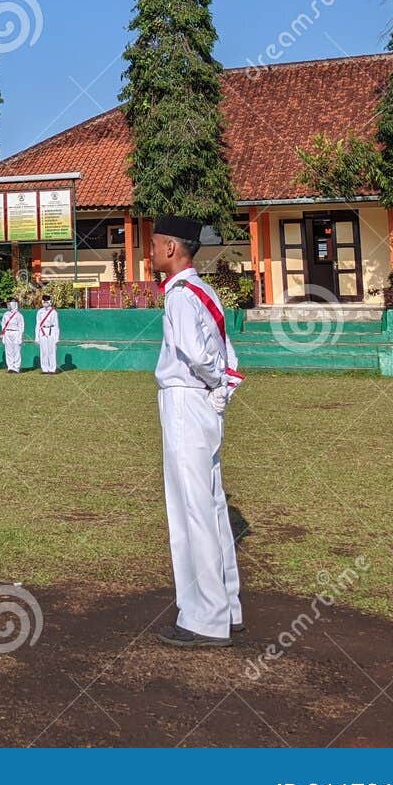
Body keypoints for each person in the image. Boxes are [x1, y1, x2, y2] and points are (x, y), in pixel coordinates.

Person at [150, 215, 244, 649]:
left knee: (192, 510)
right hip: (202, 403)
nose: (149, 251)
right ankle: (227, 606)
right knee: (211, 503)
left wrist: (213, 383)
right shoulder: (203, 292)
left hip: (187, 399)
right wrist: (220, 388)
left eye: (153, 244)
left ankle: (205, 616)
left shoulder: (180, 296)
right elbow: (226, 352)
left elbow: (199, 355)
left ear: (171, 248)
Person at [35, 295, 60, 374]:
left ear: (49, 302)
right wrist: (37, 337)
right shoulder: (40, 312)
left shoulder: (53, 312)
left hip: (51, 331)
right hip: (42, 331)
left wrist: (57, 337)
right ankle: (44, 369)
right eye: (44, 302)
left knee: (51, 351)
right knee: (43, 351)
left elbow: (56, 325)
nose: (45, 303)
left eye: (47, 302)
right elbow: (38, 324)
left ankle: (52, 369)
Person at [0, 298, 24, 372]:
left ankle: (16, 367)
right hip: (7, 333)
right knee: (8, 350)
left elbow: (21, 326)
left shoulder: (19, 315)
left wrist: (20, 336)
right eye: (7, 304)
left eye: (9, 304)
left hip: (16, 332)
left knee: (16, 350)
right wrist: (3, 335)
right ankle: (10, 367)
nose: (8, 305)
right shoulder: (5, 314)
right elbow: (3, 325)